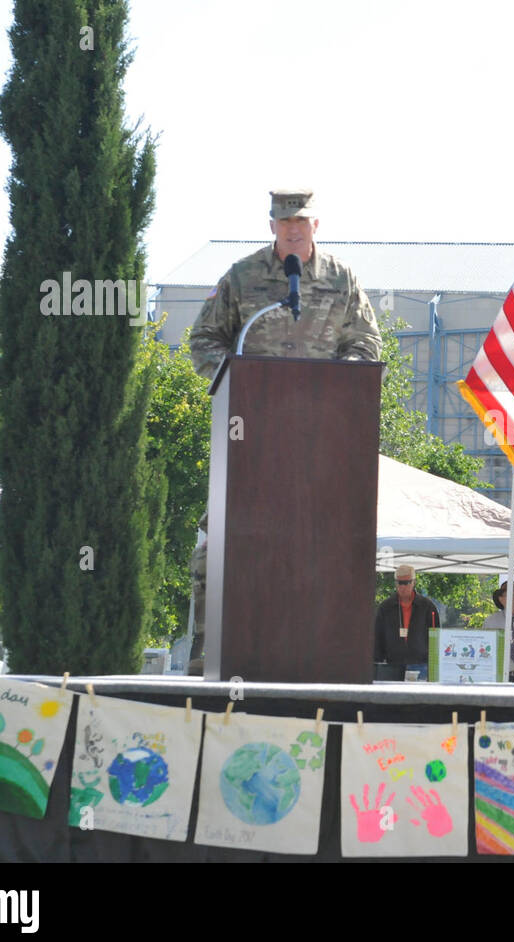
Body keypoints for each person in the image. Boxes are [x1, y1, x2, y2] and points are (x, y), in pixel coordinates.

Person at [185, 188, 382, 674]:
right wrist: (235, 381)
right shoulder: (243, 276)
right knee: (223, 547)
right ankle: (210, 660)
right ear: (272, 226)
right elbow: (204, 340)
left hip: (322, 446)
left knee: (326, 545)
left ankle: (319, 660)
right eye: (283, 223)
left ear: (317, 225)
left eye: (301, 223)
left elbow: (366, 343)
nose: (292, 230)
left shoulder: (343, 279)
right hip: (251, 439)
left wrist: (339, 387)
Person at [373, 565, 439, 680]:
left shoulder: (427, 607)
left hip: (421, 665)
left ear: (414, 582)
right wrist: (376, 664)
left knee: (420, 698)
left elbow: (436, 636)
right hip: (392, 665)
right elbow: (377, 637)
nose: (403, 586)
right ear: (395, 583)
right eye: (400, 582)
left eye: (406, 582)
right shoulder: (385, 607)